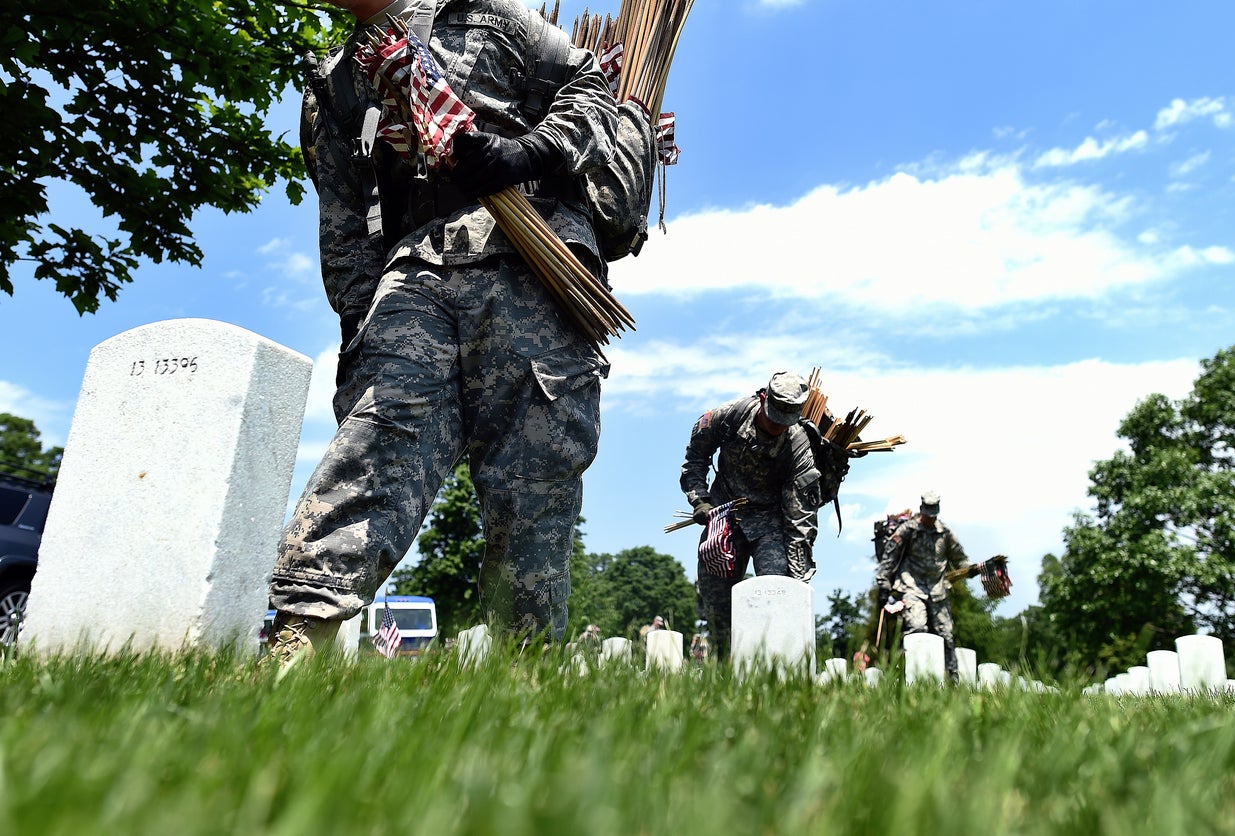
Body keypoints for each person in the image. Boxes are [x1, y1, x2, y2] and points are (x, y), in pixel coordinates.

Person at [266, 0, 618, 671]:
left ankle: (525, 675)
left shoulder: (492, 14)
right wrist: (359, 324)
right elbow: (343, 220)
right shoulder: (334, 83)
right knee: (373, 442)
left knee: (532, 486)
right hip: (416, 270)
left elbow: (591, 89)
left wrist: (526, 152)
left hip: (534, 263)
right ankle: (297, 644)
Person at [680, 371, 821, 660]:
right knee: (717, 604)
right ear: (763, 397)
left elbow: (800, 516)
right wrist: (700, 500)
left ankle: (774, 669)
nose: (777, 427)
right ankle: (725, 669)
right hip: (724, 517)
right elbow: (695, 458)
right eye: (773, 417)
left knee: (777, 594)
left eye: (785, 422)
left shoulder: (798, 445)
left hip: (769, 524)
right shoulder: (728, 416)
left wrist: (798, 578)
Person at [874, 490, 974, 681]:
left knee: (946, 634)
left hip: (938, 591)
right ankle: (909, 676)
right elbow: (889, 558)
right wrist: (884, 584)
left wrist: (973, 569)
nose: (930, 518)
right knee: (917, 628)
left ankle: (952, 680)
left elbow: (960, 559)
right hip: (912, 588)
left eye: (933, 514)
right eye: (927, 513)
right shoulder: (908, 530)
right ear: (921, 509)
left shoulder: (945, 533)